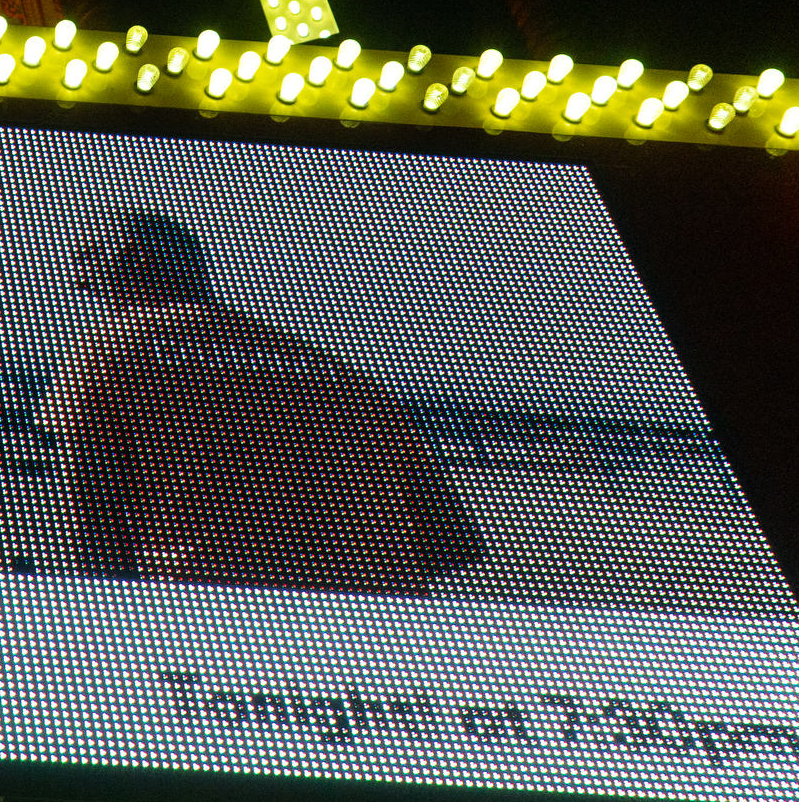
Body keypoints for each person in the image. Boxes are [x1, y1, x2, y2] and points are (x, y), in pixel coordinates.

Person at [46, 211, 482, 595]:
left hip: (219, 605)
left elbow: (86, 519)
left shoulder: (110, 357)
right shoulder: (331, 368)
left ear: (103, 286)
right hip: (380, 607)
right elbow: (452, 545)